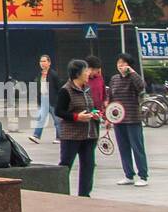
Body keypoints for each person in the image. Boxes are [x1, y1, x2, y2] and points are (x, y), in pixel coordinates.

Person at [55, 59, 100, 196]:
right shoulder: (66, 90)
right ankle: (59, 192)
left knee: (88, 166)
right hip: (71, 136)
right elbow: (59, 111)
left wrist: (95, 114)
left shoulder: (86, 89)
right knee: (66, 165)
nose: (88, 73)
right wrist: (76, 117)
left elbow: (90, 108)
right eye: (86, 70)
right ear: (78, 73)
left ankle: (84, 195)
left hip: (89, 135)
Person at [108, 52, 148, 186]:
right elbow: (111, 98)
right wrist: (108, 117)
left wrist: (132, 72)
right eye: (119, 63)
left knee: (137, 148)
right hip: (119, 119)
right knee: (123, 148)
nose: (120, 65)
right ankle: (128, 175)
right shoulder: (114, 79)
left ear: (129, 65)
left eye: (123, 63)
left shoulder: (134, 77)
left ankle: (143, 176)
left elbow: (141, 86)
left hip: (133, 118)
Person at [29, 54, 61, 144]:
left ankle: (59, 137)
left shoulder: (53, 74)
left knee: (57, 120)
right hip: (43, 99)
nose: (42, 63)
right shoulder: (39, 75)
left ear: (49, 63)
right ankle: (36, 136)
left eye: (44, 61)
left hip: (53, 100)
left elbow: (59, 88)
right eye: (41, 61)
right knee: (41, 118)